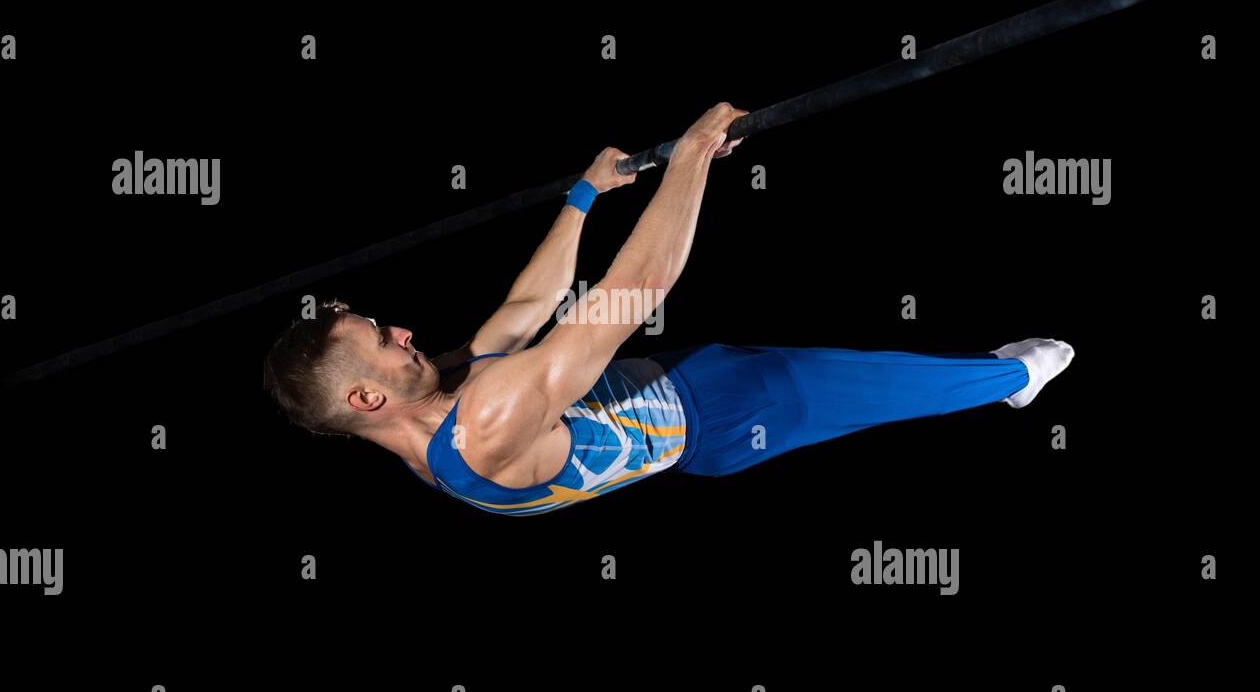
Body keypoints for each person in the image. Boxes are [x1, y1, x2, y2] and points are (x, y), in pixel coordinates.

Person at [263, 103, 1074, 515]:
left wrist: (586, 195)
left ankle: (997, 378)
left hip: (694, 421)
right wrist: (692, 159)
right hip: (721, 407)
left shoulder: (436, 429)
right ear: (364, 398)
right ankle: (1013, 378)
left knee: (868, 386)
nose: (403, 331)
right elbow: (633, 295)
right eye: (381, 338)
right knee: (880, 386)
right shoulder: (485, 423)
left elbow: (525, 307)